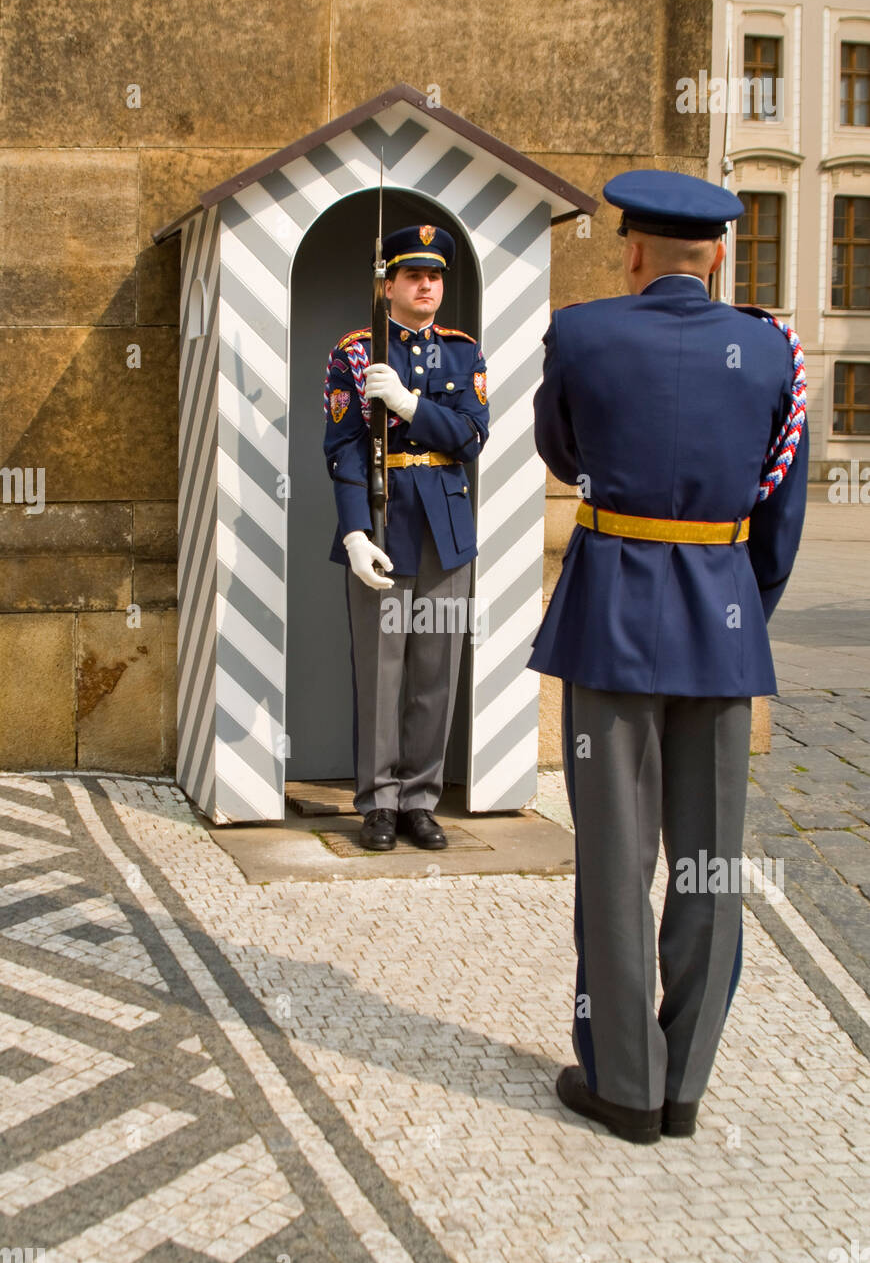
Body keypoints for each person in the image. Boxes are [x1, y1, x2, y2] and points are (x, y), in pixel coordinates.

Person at [529, 169, 808, 1144]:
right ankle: (683, 1085)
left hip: (610, 620)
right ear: (720, 255)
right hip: (723, 626)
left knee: (614, 860)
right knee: (707, 865)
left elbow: (563, 455)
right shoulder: (773, 352)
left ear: (634, 251)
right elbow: (781, 517)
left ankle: (625, 1084)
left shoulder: (584, 334)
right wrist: (736, 602)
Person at [323, 225, 489, 852]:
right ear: (387, 284)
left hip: (445, 522)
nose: (426, 285)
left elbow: (472, 438)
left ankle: (421, 799)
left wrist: (411, 405)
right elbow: (340, 447)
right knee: (380, 667)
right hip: (383, 514)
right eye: (413, 275)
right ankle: (378, 804)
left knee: (435, 669)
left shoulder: (463, 352)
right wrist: (355, 532)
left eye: (436, 276)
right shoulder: (356, 350)